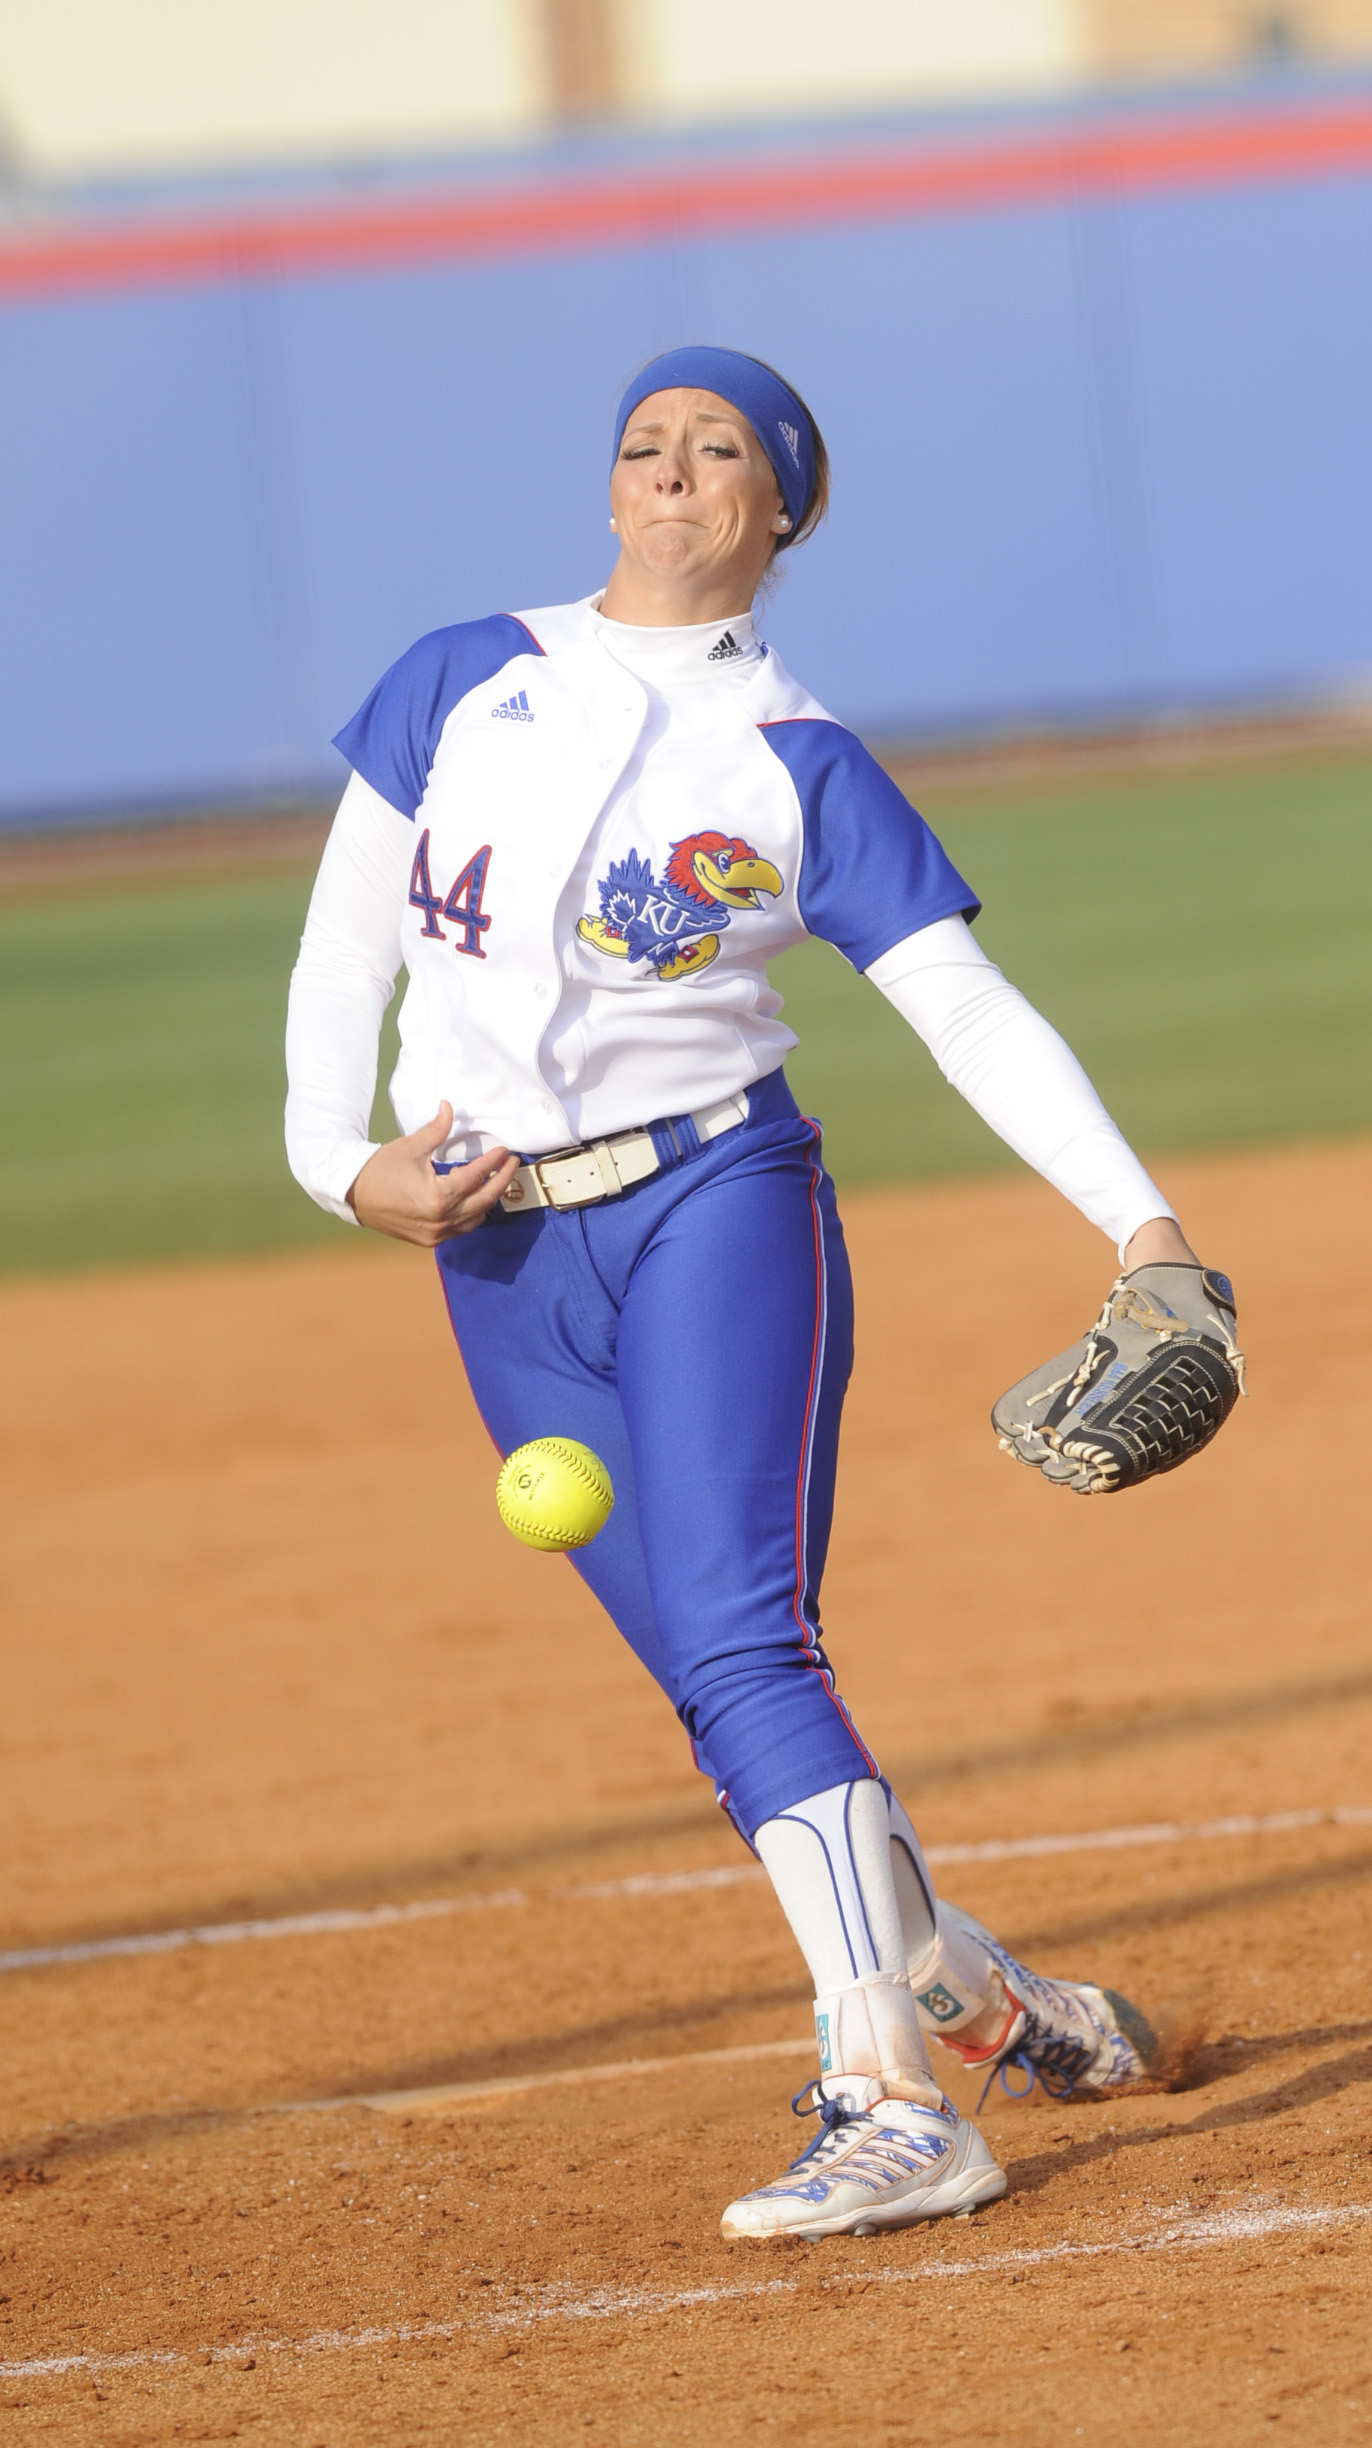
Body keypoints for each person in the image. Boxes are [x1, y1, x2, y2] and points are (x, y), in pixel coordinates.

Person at [285, 344, 1205, 2244]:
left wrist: (1147, 1230)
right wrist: (335, 1165)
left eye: (720, 451)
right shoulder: (463, 675)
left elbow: (966, 1008)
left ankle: (896, 2099)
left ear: (779, 512)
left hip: (718, 1206)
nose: (671, 471)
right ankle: (980, 2001)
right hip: (502, 1260)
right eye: (644, 443)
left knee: (743, 1649)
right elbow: (340, 948)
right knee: (722, 1705)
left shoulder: (797, 764)